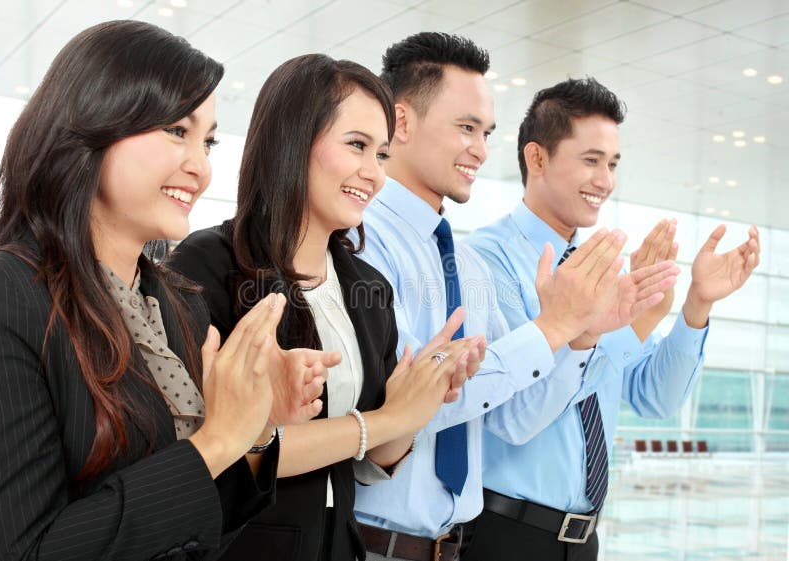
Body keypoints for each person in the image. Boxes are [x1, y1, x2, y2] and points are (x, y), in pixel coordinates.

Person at [0, 20, 336, 561]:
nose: (200, 166)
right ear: (93, 123)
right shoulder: (7, 296)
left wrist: (257, 428)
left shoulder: (179, 304)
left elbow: (198, 530)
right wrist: (218, 438)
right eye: (178, 130)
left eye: (209, 141)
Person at [351, 33, 679, 561]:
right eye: (465, 128)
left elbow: (513, 419)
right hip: (380, 544)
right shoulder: (361, 242)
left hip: (451, 546)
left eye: (485, 132)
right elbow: (413, 406)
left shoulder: (464, 261)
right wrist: (554, 329)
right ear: (402, 122)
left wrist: (582, 336)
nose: (480, 149)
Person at [169, 54, 481, 561]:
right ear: (292, 141)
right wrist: (381, 421)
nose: (373, 174)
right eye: (356, 145)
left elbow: (371, 462)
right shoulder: (209, 265)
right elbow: (225, 451)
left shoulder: (368, 288)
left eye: (381, 154)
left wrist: (417, 400)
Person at [461, 77, 761, 561]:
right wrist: (617, 327)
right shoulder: (485, 262)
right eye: (591, 160)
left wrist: (696, 307)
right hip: (508, 534)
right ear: (537, 159)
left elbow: (654, 397)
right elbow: (515, 414)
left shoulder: (601, 269)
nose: (606, 181)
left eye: (613, 163)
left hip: (584, 540)